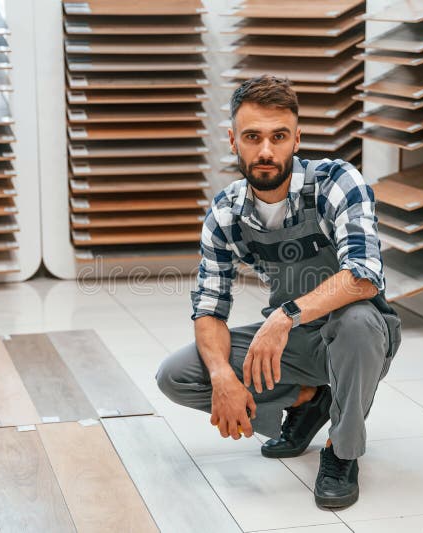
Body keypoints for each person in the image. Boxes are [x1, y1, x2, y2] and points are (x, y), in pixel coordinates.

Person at [156, 75, 401, 509]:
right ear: (233, 140)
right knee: (177, 375)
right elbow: (209, 307)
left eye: (279, 136)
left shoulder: (336, 182)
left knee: (358, 320)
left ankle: (341, 452)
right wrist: (222, 378)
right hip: (296, 342)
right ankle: (311, 399)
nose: (266, 151)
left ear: (297, 139)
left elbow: (364, 275)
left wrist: (284, 315)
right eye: (252, 137)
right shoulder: (225, 212)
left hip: (359, 336)